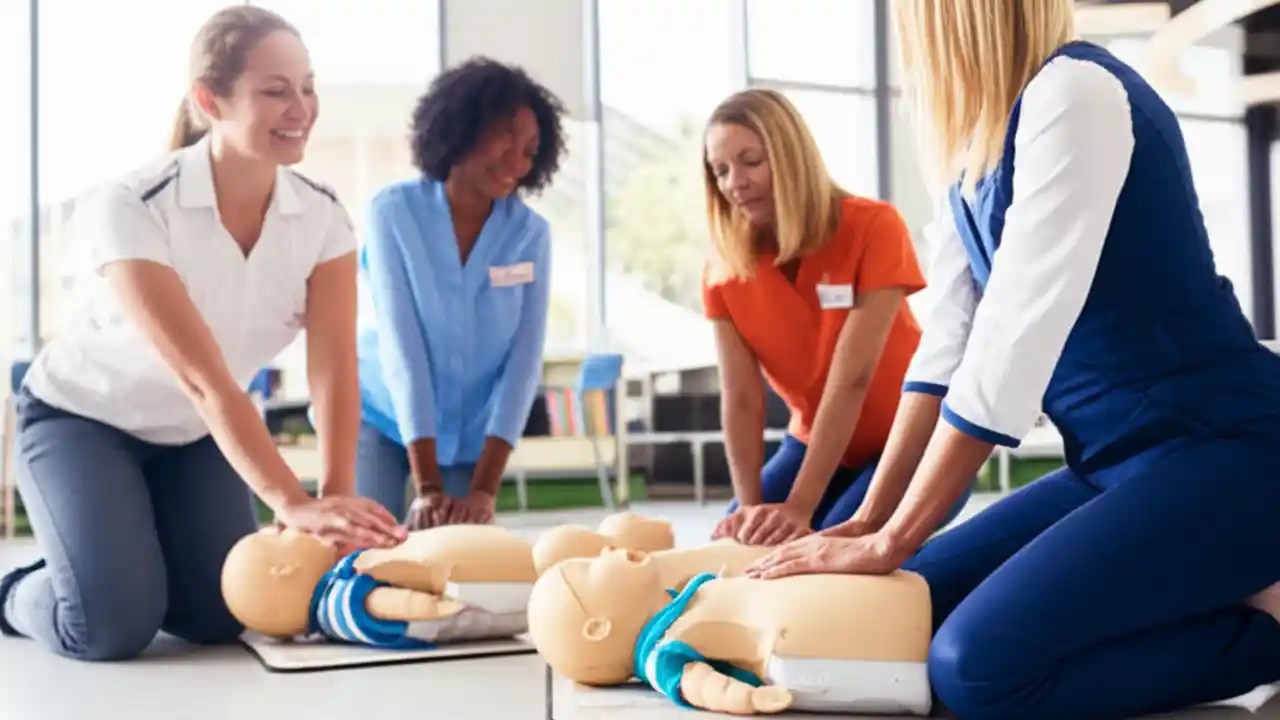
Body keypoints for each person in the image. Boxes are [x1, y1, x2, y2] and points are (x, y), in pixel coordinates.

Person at [744, 1, 1280, 718]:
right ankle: (1215, 580)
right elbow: (949, 347)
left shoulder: (1077, 94)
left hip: (1226, 451)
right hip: (1110, 465)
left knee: (980, 670)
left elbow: (1010, 346)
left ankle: (1263, 627)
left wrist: (897, 537)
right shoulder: (975, 149)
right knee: (910, 613)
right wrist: (869, 523)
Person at [0, 6, 405, 662]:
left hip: (192, 438)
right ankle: (17, 592)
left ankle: (131, 568)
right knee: (108, 626)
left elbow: (332, 366)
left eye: (307, 86)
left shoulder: (323, 216)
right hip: (83, 422)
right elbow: (204, 379)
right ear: (208, 99)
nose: (300, 106)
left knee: (222, 615)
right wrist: (289, 501)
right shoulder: (132, 205)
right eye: (276, 90)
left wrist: (335, 495)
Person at [700, 88, 970, 547]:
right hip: (815, 442)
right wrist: (748, 509)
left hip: (912, 440)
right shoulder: (723, 271)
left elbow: (853, 379)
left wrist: (801, 506)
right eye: (720, 170)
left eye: (751, 161)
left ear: (789, 157)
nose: (734, 183)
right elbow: (742, 399)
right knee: (736, 546)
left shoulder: (873, 226)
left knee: (826, 548)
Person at [355, 57, 566, 531]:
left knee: (456, 561)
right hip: (380, 416)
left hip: (471, 436)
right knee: (365, 548)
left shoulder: (530, 235)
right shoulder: (393, 214)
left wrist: (484, 490)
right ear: (462, 128)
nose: (518, 161)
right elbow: (402, 348)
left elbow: (523, 363)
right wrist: (427, 488)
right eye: (505, 137)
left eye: (531, 150)